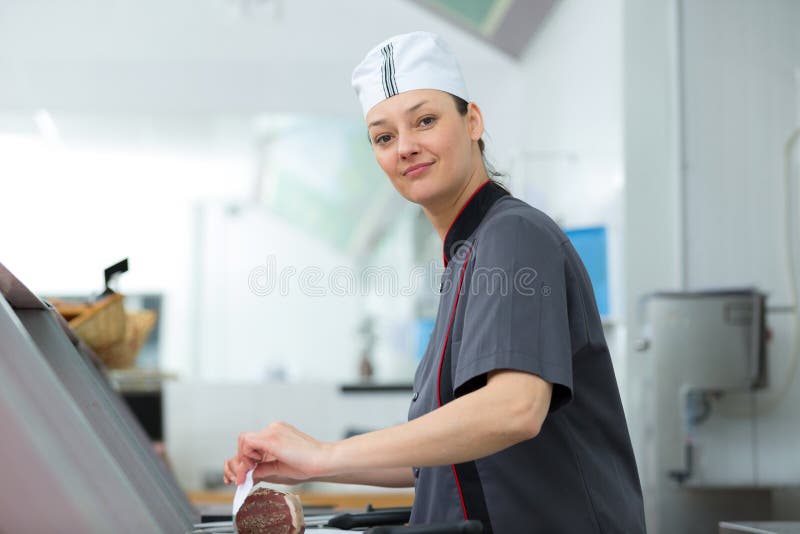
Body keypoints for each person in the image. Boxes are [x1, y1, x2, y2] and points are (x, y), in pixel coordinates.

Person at [224, 31, 646, 533]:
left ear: (473, 121)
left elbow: (514, 409)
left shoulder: (513, 235)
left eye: (425, 120)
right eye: (383, 137)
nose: (405, 147)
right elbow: (446, 457)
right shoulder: (466, 258)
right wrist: (314, 463)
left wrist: (325, 454)